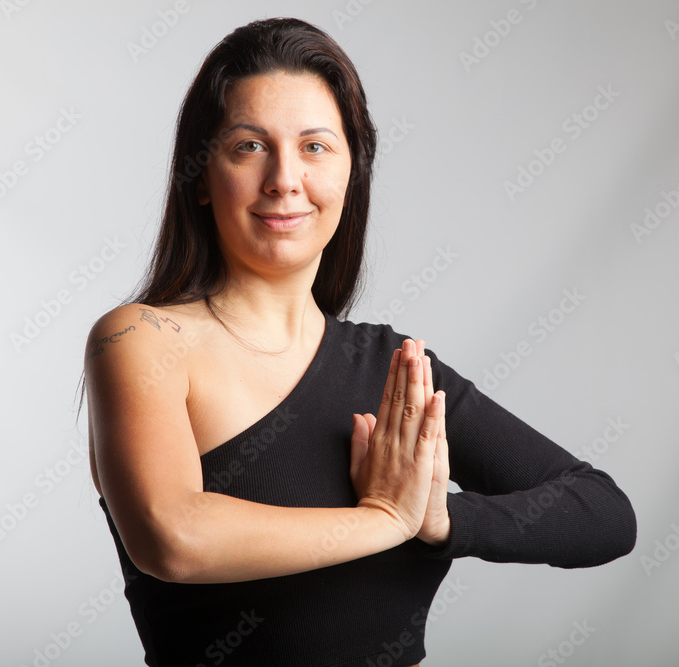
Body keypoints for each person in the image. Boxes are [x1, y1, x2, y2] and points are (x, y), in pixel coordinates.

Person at [78, 17, 637, 667]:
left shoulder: (394, 371)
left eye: (315, 147)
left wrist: (441, 520)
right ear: (202, 175)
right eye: (249, 146)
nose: (285, 179)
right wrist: (386, 519)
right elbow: (174, 536)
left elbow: (603, 513)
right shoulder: (140, 341)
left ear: (351, 173)